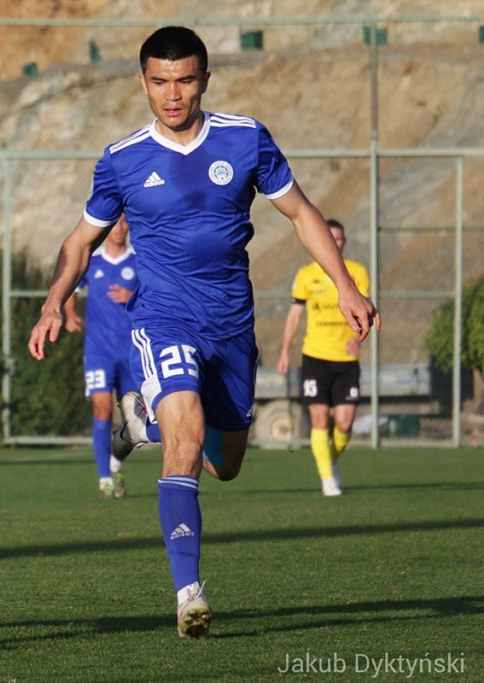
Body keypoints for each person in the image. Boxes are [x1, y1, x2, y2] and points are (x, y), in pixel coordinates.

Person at [28, 26, 379, 639]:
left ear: (205, 80)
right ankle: (189, 592)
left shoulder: (246, 139)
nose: (173, 94)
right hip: (163, 316)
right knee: (186, 440)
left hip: (232, 326)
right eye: (160, 81)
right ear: (143, 82)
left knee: (226, 463)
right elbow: (80, 240)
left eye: (185, 80)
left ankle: (144, 420)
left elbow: (299, 212)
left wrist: (346, 285)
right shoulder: (122, 159)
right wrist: (55, 298)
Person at [276, 219, 369, 497]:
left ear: (345, 241)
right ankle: (328, 478)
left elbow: (364, 307)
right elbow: (294, 316)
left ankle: (331, 461)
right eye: (330, 237)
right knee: (318, 418)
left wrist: (360, 337)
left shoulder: (357, 272)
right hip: (314, 356)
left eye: (339, 238)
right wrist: (284, 351)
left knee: (344, 423)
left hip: (346, 358)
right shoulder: (306, 275)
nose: (335, 242)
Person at [62, 215, 138, 499]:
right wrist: (69, 314)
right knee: (102, 409)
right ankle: (105, 478)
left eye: (123, 223)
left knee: (136, 421)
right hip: (99, 352)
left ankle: (114, 462)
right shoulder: (92, 260)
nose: (119, 228)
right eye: (114, 223)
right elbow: (69, 284)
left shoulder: (139, 261)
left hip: (132, 352)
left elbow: (155, 296)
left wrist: (132, 295)